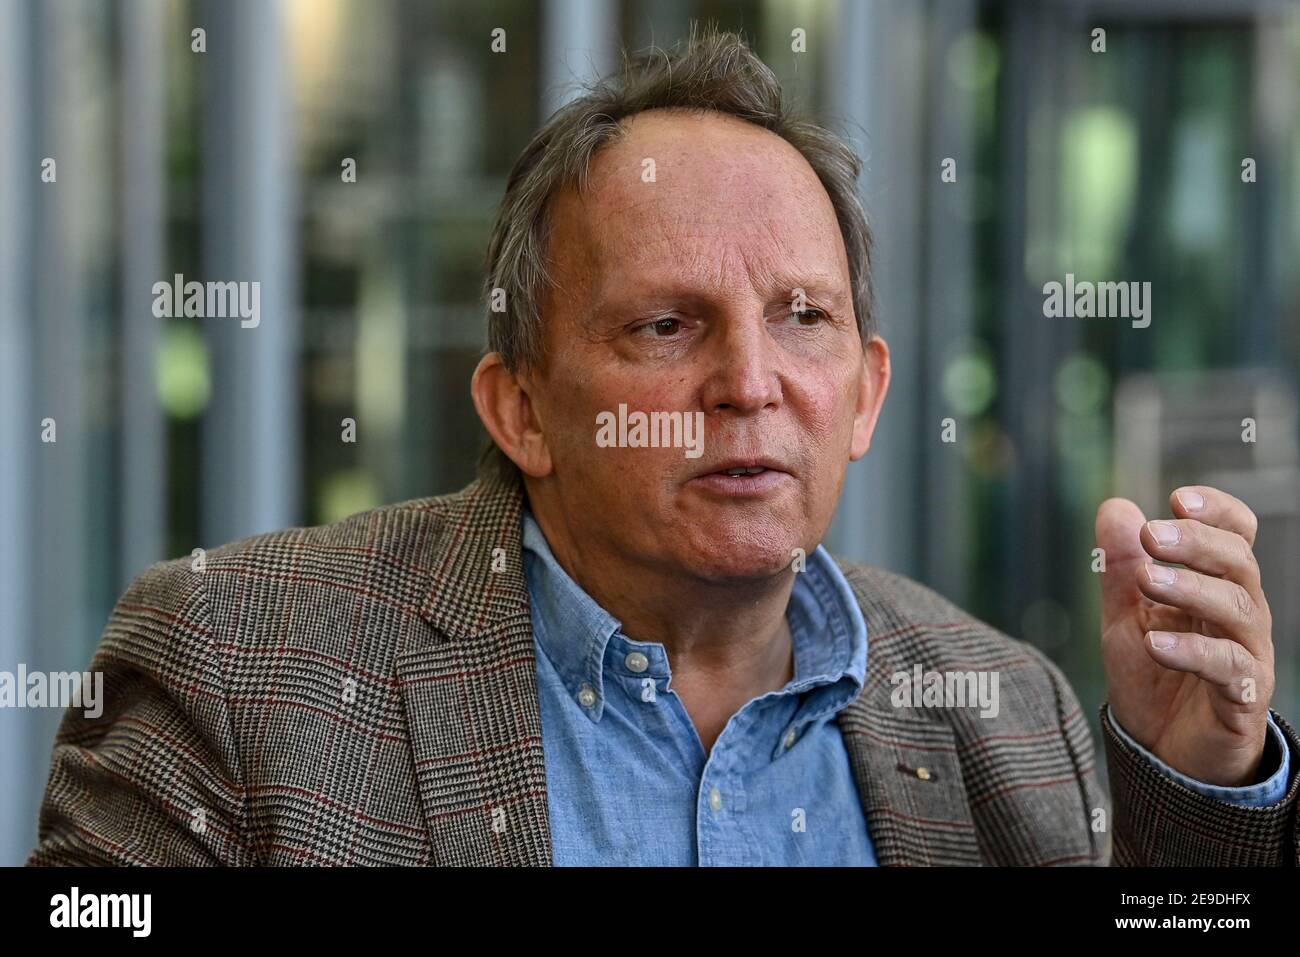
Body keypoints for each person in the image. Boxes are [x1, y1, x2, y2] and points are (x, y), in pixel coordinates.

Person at [28, 27, 1296, 866]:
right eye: (663, 324)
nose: (746, 384)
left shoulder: (1008, 714)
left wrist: (1193, 786)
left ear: (863, 395)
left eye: (802, 318)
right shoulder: (239, 669)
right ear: (519, 408)